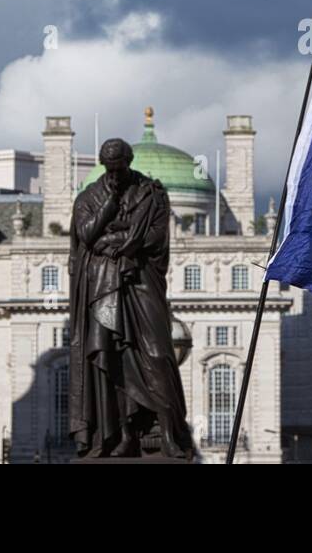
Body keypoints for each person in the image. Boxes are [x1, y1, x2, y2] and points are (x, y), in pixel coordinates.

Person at [68, 138, 194, 459]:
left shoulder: (151, 193)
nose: (114, 175)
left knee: (158, 354)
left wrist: (118, 242)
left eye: (119, 168)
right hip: (102, 287)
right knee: (111, 358)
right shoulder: (89, 197)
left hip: (140, 281)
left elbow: (154, 238)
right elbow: (86, 235)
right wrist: (111, 206)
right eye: (108, 169)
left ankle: (169, 432)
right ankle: (122, 434)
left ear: (129, 161)